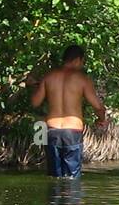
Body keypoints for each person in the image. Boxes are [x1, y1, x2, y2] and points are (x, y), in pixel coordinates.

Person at [29, 45, 107, 179]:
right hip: (72, 133)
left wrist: (32, 86)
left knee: (54, 177)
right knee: (71, 178)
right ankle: (71, 199)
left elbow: (35, 103)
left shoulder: (49, 77)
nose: (82, 65)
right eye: (82, 62)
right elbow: (98, 106)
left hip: (51, 131)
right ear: (77, 60)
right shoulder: (82, 79)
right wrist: (101, 120)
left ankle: (54, 199)